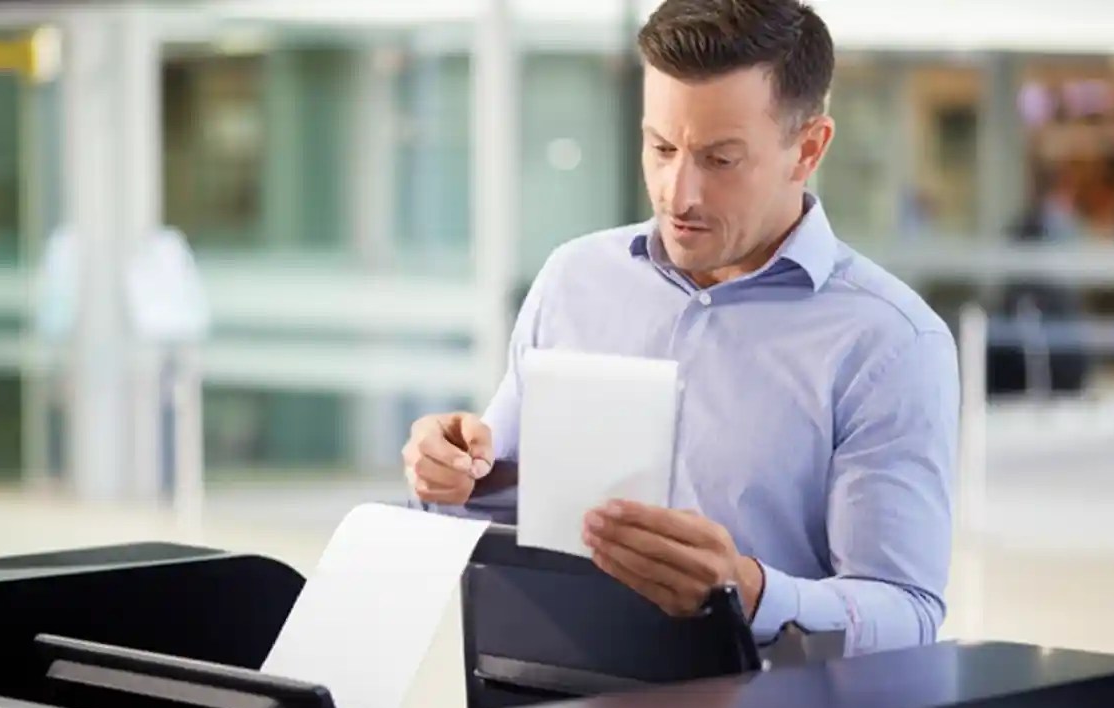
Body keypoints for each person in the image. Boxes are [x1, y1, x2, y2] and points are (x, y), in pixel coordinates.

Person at [402, 0, 959, 656]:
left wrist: (748, 593)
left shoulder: (889, 344)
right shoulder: (574, 280)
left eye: (720, 160)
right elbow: (494, 504)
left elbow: (907, 609)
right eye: (661, 147)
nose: (678, 192)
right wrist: (448, 476)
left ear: (807, 149)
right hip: (551, 695)